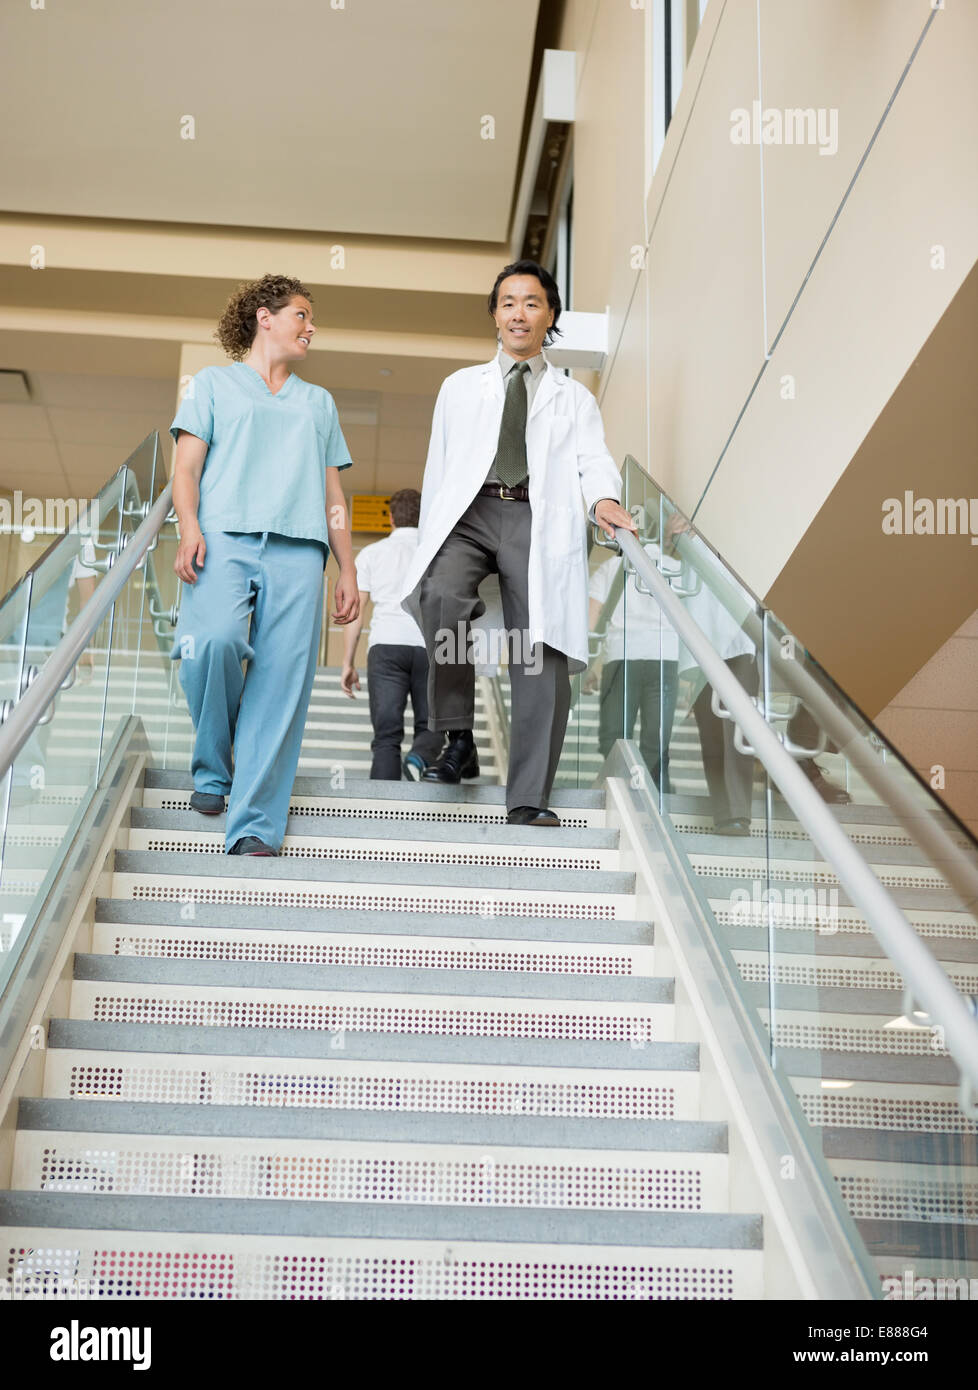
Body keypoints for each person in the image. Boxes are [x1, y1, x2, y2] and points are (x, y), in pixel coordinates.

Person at [400, 259, 636, 827]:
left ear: (550, 315)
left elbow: (592, 461)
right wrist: (429, 535)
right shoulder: (459, 387)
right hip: (470, 513)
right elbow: (439, 468)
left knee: (540, 654)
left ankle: (528, 797)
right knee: (439, 593)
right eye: (508, 302)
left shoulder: (573, 398)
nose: (518, 313)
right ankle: (456, 731)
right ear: (495, 315)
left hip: (537, 515)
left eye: (532, 302)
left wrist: (604, 499)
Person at [170, 274, 359, 856]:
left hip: (301, 550)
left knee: (280, 685)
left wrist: (347, 567)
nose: (311, 326)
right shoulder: (213, 385)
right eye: (301, 314)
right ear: (264, 317)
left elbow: (332, 495)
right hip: (222, 538)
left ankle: (253, 824)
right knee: (216, 641)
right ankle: (212, 764)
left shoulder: (318, 403)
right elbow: (185, 470)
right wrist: (191, 527)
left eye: (312, 317)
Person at [340, 488, 445, 780]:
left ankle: (382, 811)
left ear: (390, 519)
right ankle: (419, 761)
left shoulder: (372, 554)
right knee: (431, 726)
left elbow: (356, 611)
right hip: (430, 647)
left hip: (386, 648)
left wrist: (348, 662)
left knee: (386, 737)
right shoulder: (437, 554)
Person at [585, 539, 681, 790]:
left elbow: (592, 620)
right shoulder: (673, 567)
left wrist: (588, 668)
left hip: (622, 655)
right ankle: (656, 796)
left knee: (614, 734)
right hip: (665, 658)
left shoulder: (611, 566)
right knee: (657, 739)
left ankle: (620, 788)